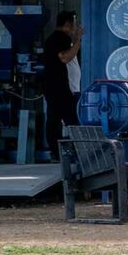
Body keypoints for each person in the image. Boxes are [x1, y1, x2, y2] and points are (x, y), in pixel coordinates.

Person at [41, 10, 84, 157]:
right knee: (70, 119)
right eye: (74, 24)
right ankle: (72, 151)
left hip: (58, 88)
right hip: (60, 88)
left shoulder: (56, 39)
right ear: (67, 24)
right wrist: (78, 40)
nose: (75, 28)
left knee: (57, 119)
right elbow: (65, 57)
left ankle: (58, 152)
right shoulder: (60, 38)